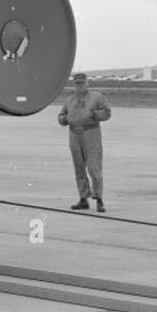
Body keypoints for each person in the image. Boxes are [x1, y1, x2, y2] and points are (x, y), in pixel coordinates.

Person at [58, 72, 111, 212]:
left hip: (91, 133)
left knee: (94, 167)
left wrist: (95, 114)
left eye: (82, 83)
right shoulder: (70, 100)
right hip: (74, 134)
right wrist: (63, 119)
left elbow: (107, 112)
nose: (79, 85)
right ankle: (83, 198)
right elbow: (61, 114)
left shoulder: (97, 97)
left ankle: (99, 198)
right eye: (77, 83)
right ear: (74, 85)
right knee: (79, 167)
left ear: (87, 83)